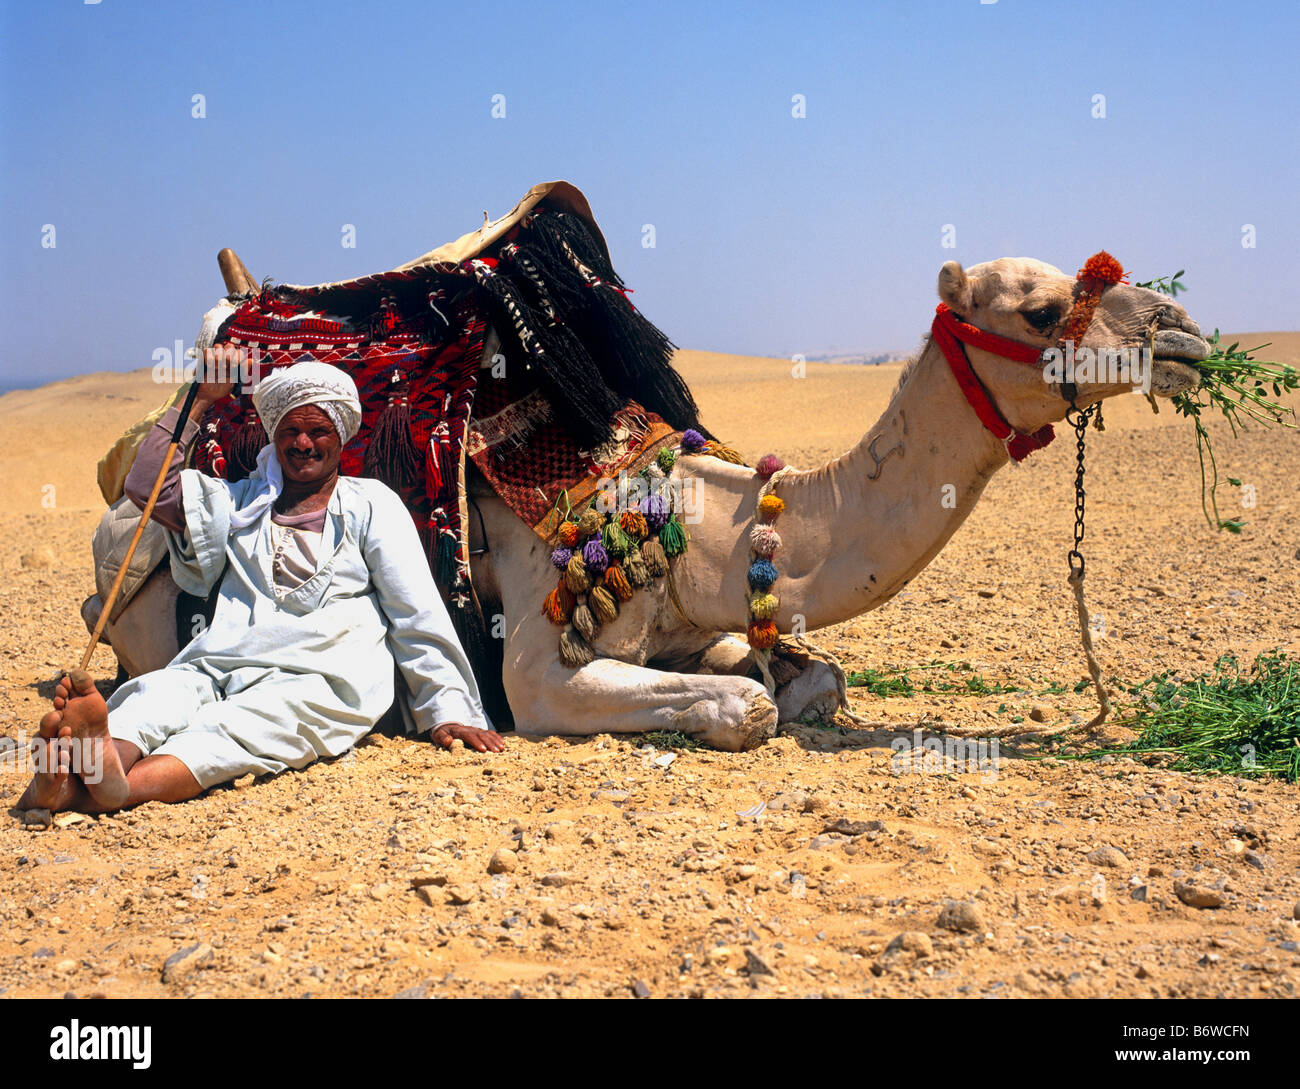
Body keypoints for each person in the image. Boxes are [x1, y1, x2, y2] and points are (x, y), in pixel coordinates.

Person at [19, 350, 501, 814]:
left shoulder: (370, 504)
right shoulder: (241, 501)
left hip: (322, 678)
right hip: (222, 659)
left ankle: (89, 791)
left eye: (318, 431)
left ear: (342, 437)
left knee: (230, 729)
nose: (303, 443)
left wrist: (448, 710)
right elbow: (146, 490)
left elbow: (415, 613)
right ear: (274, 434)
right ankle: (97, 759)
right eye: (290, 430)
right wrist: (200, 400)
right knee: (160, 695)